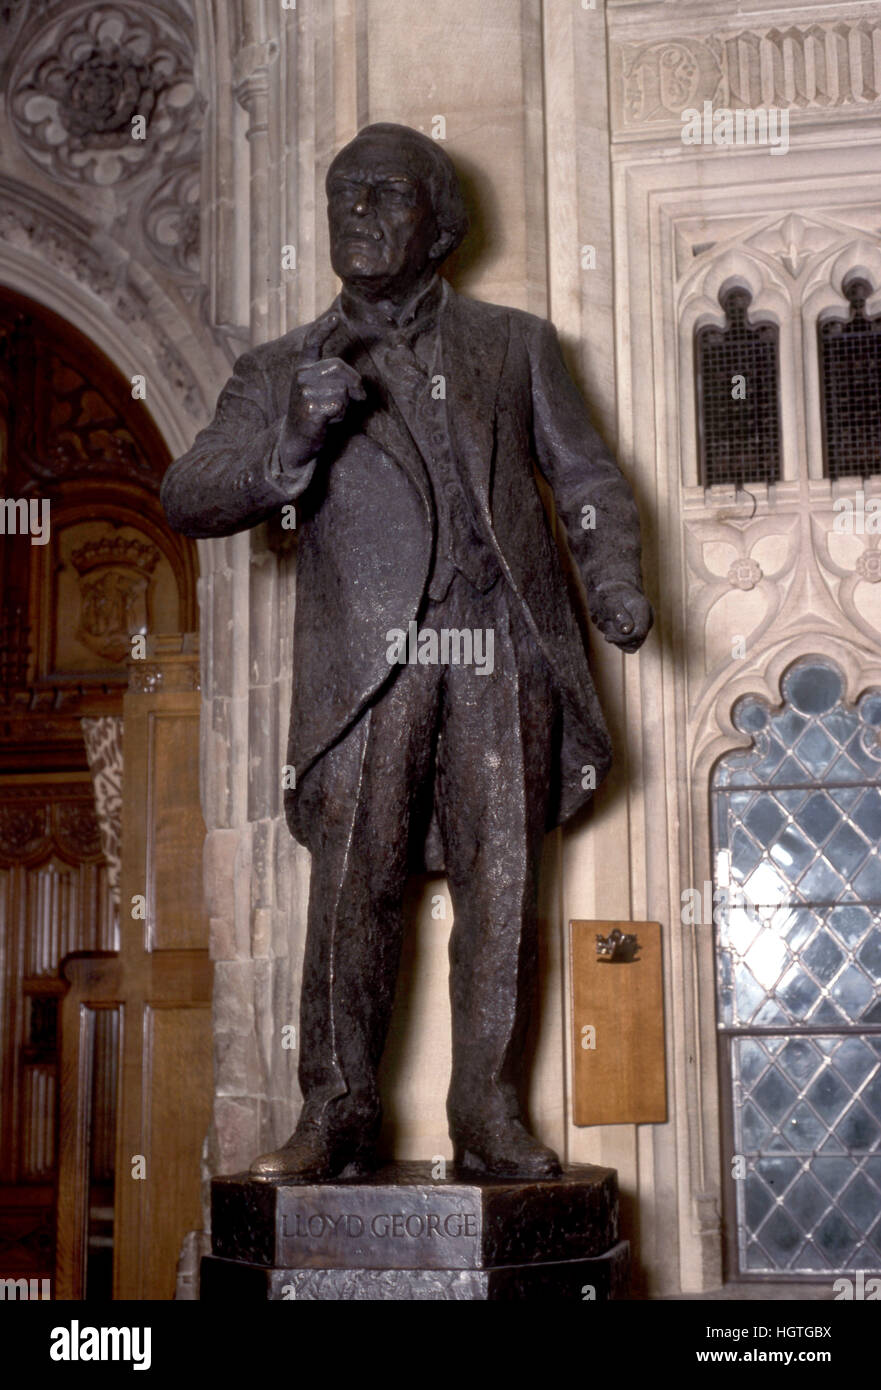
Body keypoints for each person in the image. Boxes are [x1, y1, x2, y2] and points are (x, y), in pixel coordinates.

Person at [160, 122, 653, 1181]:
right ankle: (333, 1111)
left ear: (442, 224)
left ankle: (486, 1111)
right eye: (342, 194)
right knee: (353, 888)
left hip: (501, 647)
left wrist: (613, 578)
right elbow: (188, 494)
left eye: (384, 193)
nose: (358, 211)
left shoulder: (514, 346)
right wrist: (288, 442)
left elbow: (586, 480)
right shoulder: (280, 365)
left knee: (501, 881)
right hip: (366, 664)